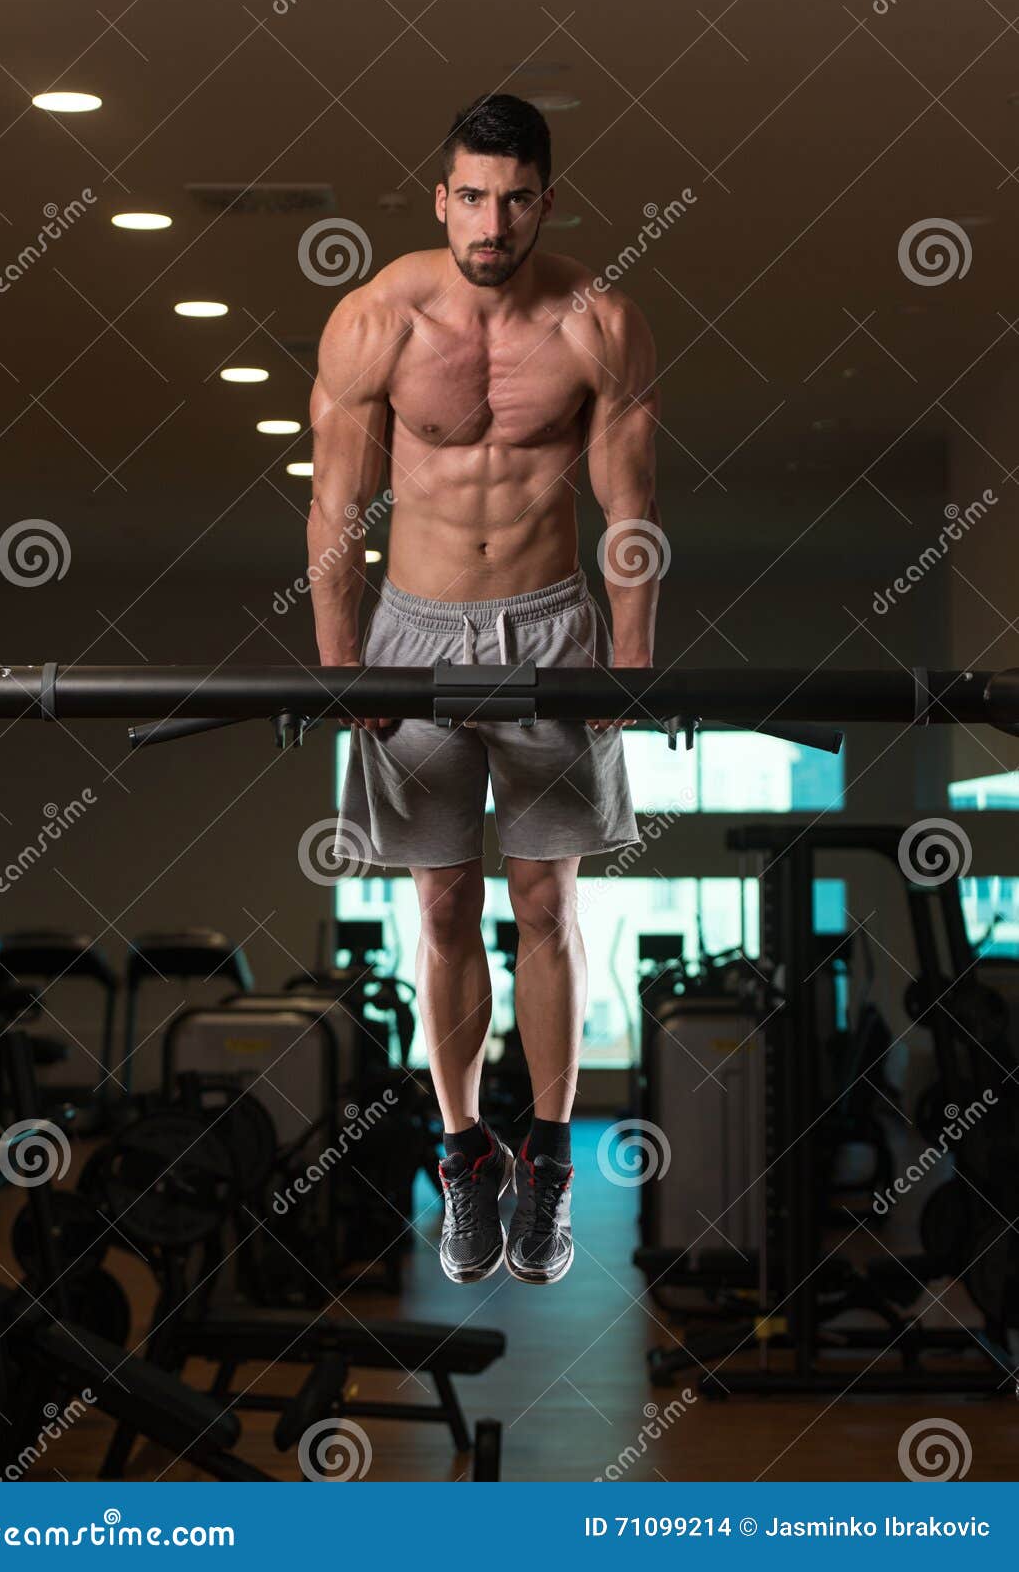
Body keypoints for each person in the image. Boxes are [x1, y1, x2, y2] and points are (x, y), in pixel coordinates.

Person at [307, 92, 660, 1286]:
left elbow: (631, 510)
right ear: (441, 194)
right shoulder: (378, 319)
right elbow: (336, 511)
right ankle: (465, 1156)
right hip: (412, 630)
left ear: (544, 200)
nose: (491, 219)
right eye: (472, 195)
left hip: (552, 627)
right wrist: (343, 661)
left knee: (546, 906)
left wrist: (629, 656)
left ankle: (547, 1165)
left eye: (515, 198)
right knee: (444, 910)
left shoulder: (597, 321)